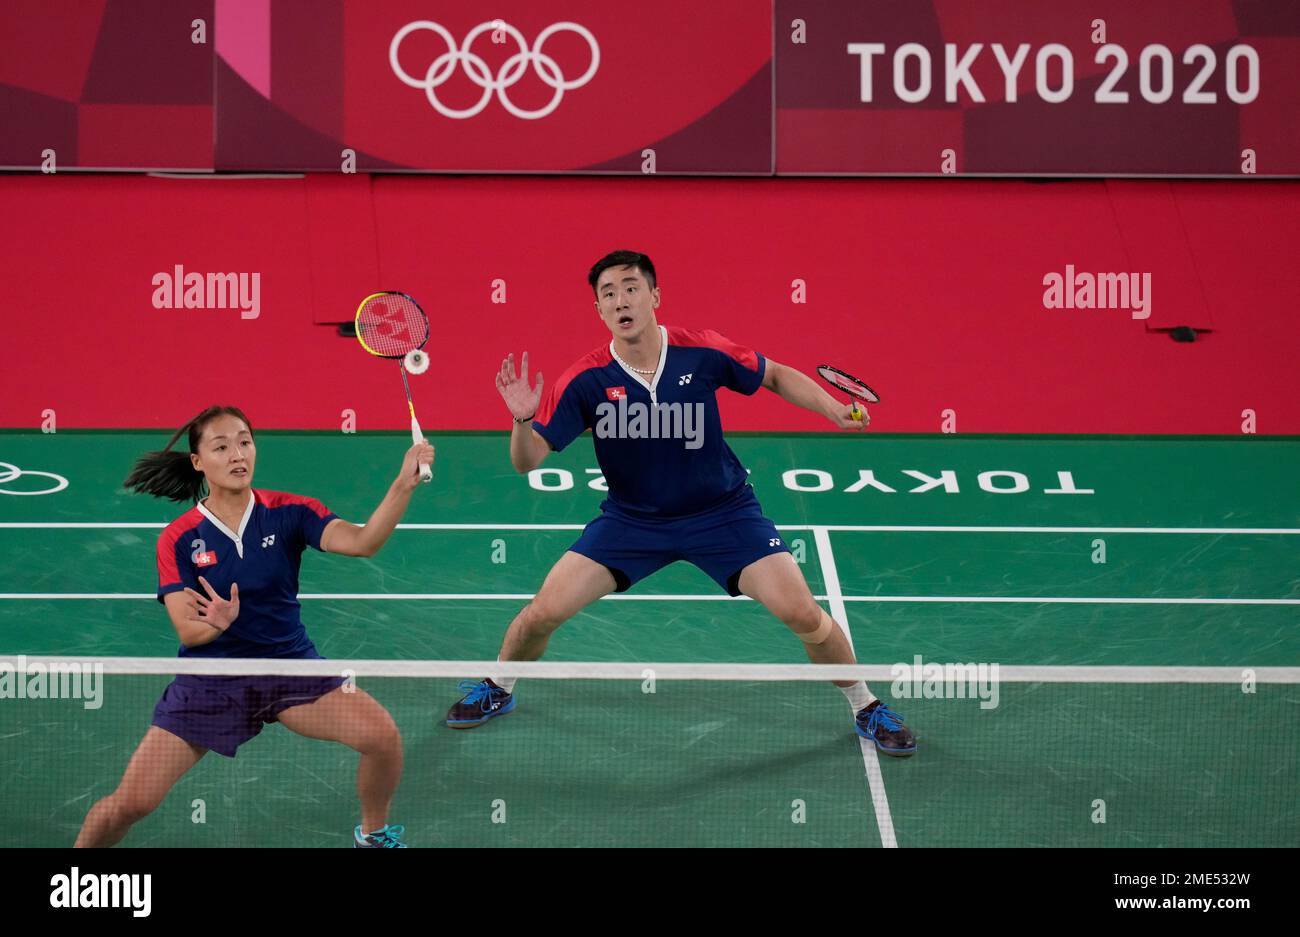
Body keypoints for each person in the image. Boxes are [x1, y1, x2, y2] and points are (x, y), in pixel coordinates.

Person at [445, 250, 915, 756]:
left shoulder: (701, 350)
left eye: (630, 287)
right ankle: (500, 686)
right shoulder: (585, 380)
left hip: (723, 514)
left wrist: (833, 411)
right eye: (608, 294)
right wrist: (521, 420)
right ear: (599, 310)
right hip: (632, 522)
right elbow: (527, 461)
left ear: (654, 296)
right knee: (541, 613)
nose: (620, 300)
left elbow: (774, 374)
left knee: (803, 613)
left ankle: (866, 705)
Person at [75, 405, 435, 847]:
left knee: (383, 738)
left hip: (289, 667)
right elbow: (188, 632)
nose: (237, 454)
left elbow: (363, 543)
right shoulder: (180, 538)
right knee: (132, 803)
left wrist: (403, 484)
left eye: (244, 442)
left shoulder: (290, 512)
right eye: (221, 446)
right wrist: (219, 625)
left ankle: (373, 834)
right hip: (211, 681)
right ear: (198, 461)